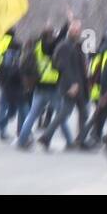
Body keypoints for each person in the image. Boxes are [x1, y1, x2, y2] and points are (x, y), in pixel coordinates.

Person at [17, 23, 70, 149]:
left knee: (32, 115)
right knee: (61, 115)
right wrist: (66, 24)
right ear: (51, 35)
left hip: (39, 85)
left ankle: (22, 141)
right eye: (53, 34)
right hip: (52, 86)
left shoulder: (37, 45)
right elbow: (60, 38)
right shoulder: (51, 46)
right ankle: (69, 140)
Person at [38, 20, 89, 151]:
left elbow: (79, 66)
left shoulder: (76, 45)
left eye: (79, 30)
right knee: (65, 112)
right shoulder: (64, 46)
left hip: (80, 85)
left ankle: (81, 140)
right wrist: (72, 84)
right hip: (71, 85)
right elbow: (63, 67)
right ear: (70, 31)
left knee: (83, 112)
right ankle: (46, 137)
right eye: (75, 30)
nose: (77, 32)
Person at [0, 28, 28, 140]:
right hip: (14, 84)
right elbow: (14, 66)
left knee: (5, 110)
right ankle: (22, 133)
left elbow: (1, 64)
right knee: (21, 109)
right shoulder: (13, 46)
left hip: (2, 81)